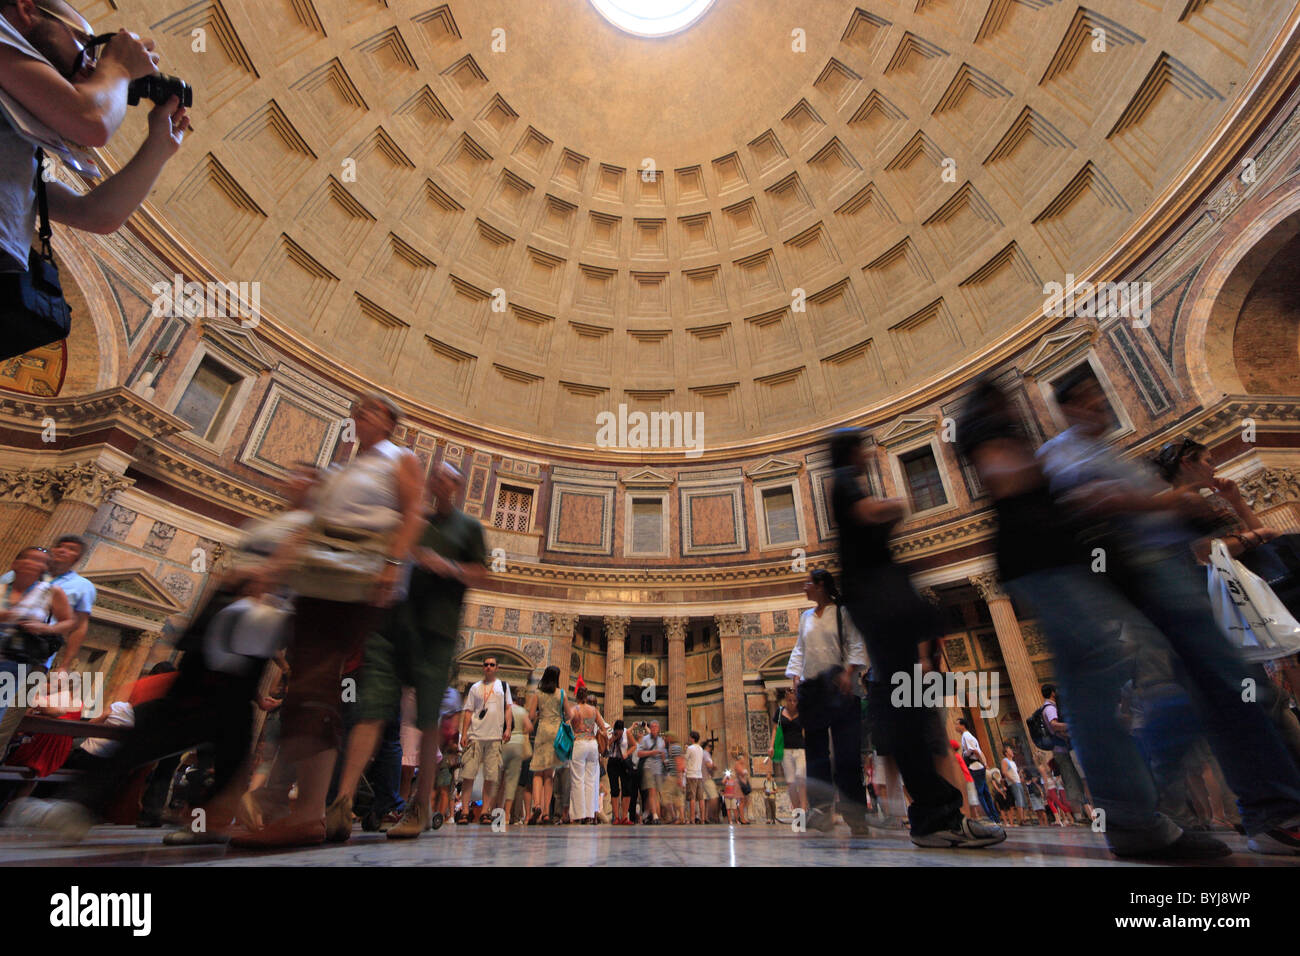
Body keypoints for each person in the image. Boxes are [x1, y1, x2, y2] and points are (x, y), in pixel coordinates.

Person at [956, 375, 1233, 858]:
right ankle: (1134, 815)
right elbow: (1005, 477)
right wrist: (1083, 498)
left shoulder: (1013, 432)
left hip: (1053, 559)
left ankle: (1135, 812)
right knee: (1104, 669)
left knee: (1098, 677)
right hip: (1041, 558)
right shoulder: (989, 428)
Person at [228, 392, 424, 848]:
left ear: (390, 421)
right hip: (319, 580)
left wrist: (393, 567)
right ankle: (298, 809)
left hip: (360, 580)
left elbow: (413, 514)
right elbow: (311, 524)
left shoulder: (402, 460)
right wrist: (273, 569)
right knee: (309, 690)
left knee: (318, 686)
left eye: (372, 409)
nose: (362, 414)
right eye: (358, 408)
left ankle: (303, 812)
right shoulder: (343, 468)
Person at [829, 428, 1004, 849]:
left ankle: (939, 813)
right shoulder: (845, 483)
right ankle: (935, 815)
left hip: (880, 596)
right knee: (903, 699)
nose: (869, 455)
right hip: (878, 595)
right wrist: (896, 504)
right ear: (850, 452)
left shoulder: (845, 485)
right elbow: (873, 512)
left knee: (907, 698)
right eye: (863, 449)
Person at [326, 460, 486, 840]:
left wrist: (447, 567)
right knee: (372, 711)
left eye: (450, 479)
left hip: (436, 634)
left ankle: (420, 806)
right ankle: (341, 803)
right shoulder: (416, 522)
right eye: (438, 477)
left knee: (427, 721)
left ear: (459, 486)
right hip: (393, 627)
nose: (442, 483)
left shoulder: (470, 528)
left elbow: (482, 572)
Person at [0, 0, 189, 281]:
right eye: (87, 44)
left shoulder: (14, 137)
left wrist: (158, 149)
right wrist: (118, 68)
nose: (91, 64)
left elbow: (95, 215)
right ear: (27, 10)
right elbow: (91, 122)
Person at [788, 568, 870, 834]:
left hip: (839, 686)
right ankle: (822, 810)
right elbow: (799, 649)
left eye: (808, 582)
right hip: (812, 690)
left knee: (847, 753)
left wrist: (848, 673)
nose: (804, 586)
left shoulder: (842, 613)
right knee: (816, 754)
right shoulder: (806, 617)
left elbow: (856, 644)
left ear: (821, 585)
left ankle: (855, 814)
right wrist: (796, 679)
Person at [0, 546, 73, 748]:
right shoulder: (2, 585)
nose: (35, 564)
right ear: (16, 563)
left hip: (15, 660)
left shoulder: (50, 592)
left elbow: (68, 622)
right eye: (30, 559)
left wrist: (44, 628)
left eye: (41, 561)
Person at [457, 657, 512, 825]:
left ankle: (485, 811)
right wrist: (464, 733)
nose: (488, 667)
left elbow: (508, 708)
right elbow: (468, 711)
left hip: (495, 736)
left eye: (492, 665)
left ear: (497, 667)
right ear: (483, 668)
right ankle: (465, 810)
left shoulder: (503, 686)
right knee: (468, 774)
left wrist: (508, 728)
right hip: (475, 736)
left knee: (490, 776)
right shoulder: (475, 687)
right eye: (486, 665)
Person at [528, 665, 565, 824]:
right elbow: (569, 714)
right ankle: (545, 813)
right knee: (549, 775)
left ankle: (536, 805)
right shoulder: (561, 693)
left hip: (542, 731)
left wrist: (540, 714)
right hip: (556, 733)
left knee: (537, 772)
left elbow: (530, 715)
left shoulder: (538, 693)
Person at [565, 684, 607, 824]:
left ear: (577, 696)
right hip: (592, 745)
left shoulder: (575, 709)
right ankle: (590, 813)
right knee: (590, 781)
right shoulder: (593, 710)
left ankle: (579, 814)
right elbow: (603, 728)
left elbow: (566, 724)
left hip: (580, 742)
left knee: (578, 779)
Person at [957, 718, 999, 824]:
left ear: (963, 725)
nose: (955, 726)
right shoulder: (970, 736)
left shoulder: (966, 736)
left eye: (957, 724)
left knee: (979, 794)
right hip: (979, 767)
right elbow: (980, 751)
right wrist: (984, 764)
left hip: (975, 767)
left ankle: (989, 818)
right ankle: (995, 818)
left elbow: (976, 751)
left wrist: (984, 764)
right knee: (986, 793)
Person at [773, 687, 806, 813]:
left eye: (795, 701)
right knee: (791, 782)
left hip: (800, 749)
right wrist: (772, 746)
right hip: (786, 751)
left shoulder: (802, 713)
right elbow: (775, 729)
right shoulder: (780, 712)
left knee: (801, 778)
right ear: (786, 700)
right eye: (790, 700)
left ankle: (803, 810)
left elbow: (805, 731)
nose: (792, 703)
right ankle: (797, 810)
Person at [637, 718, 667, 825]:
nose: (654, 728)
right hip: (648, 768)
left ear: (658, 729)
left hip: (658, 769)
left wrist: (665, 760)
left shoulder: (661, 741)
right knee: (652, 791)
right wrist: (651, 752)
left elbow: (663, 755)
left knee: (656, 794)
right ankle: (655, 815)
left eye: (656, 727)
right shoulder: (645, 739)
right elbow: (639, 753)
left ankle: (648, 814)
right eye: (652, 727)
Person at [1001, 743, 1028, 827]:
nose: (1012, 751)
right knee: (1019, 800)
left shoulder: (1013, 762)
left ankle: (1023, 818)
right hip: (1013, 783)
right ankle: (1021, 820)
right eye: (1009, 750)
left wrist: (1019, 777)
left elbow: (1014, 772)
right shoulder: (1005, 761)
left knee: (1023, 800)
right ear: (1006, 752)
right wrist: (1012, 780)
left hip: (1018, 781)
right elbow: (1004, 772)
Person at [684, 730, 706, 824]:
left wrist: (685, 751)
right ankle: (703, 818)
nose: (689, 738)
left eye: (690, 737)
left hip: (691, 775)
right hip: (699, 775)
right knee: (701, 798)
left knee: (692, 798)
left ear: (692, 738)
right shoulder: (701, 749)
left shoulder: (690, 748)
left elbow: (685, 758)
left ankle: (692, 818)